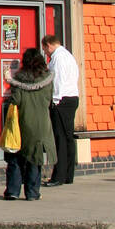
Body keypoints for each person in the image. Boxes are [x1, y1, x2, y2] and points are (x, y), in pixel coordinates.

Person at [3, 46, 55, 200]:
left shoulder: (19, 80)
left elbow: (16, 100)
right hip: (41, 125)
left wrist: (10, 84)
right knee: (35, 159)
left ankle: (12, 191)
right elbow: (49, 99)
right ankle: (32, 192)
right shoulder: (47, 80)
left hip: (21, 123)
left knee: (15, 158)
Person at [42, 34, 79, 185]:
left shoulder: (58, 58)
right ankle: (68, 175)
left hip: (62, 100)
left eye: (45, 49)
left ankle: (58, 176)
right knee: (68, 138)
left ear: (49, 45)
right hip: (72, 97)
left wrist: (55, 101)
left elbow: (58, 80)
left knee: (60, 139)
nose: (45, 52)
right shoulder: (68, 55)